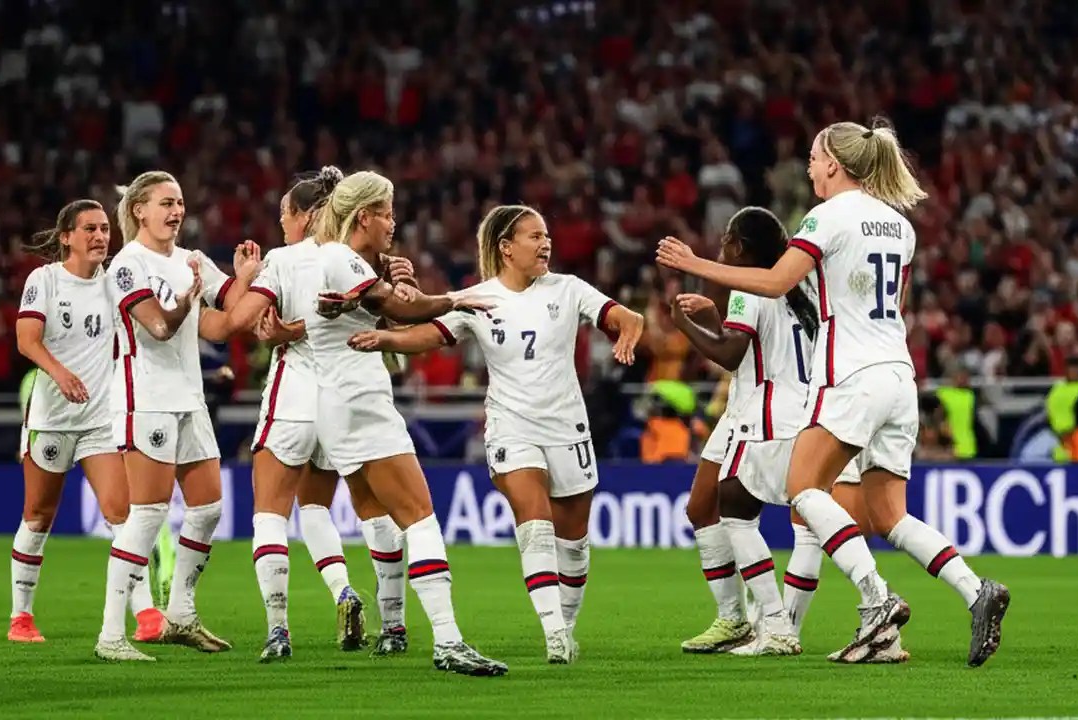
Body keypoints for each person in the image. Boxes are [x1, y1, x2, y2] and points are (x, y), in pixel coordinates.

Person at [657, 119, 1009, 667]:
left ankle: (877, 602)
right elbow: (894, 304)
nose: (809, 166)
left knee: (804, 488)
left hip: (851, 375)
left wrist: (696, 265)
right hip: (899, 373)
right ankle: (975, 590)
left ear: (835, 164)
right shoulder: (900, 225)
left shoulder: (827, 216)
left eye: (814, 157)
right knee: (890, 515)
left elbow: (774, 281)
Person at [348, 204, 644, 664]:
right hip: (511, 427)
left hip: (567, 427)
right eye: (534, 236)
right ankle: (553, 634)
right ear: (507, 248)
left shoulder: (567, 289)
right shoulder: (478, 298)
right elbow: (430, 333)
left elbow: (627, 316)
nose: (546, 243)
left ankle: (565, 624)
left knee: (574, 546)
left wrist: (628, 330)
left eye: (546, 235)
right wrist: (386, 339)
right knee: (535, 523)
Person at [280, 170, 509, 676]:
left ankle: (395, 627)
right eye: (386, 211)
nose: (393, 221)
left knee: (378, 519)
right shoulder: (340, 258)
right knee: (421, 518)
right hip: (361, 403)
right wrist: (455, 299)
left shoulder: (342, 261)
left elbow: (384, 308)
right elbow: (401, 313)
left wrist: (396, 284)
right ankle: (449, 642)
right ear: (363, 215)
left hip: (338, 405)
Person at [200, 167, 419, 661]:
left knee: (270, 514)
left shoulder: (285, 259)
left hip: (294, 398)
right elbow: (373, 314)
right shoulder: (364, 259)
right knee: (362, 509)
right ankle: (393, 625)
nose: (280, 223)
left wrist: (199, 300)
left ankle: (279, 630)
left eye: (284, 214)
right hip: (350, 398)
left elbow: (232, 324)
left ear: (305, 215)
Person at [670, 206, 896, 659]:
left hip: (764, 417)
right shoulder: (807, 288)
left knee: (736, 507)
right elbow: (758, 342)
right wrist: (715, 316)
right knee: (786, 514)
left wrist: (684, 327)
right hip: (813, 414)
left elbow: (733, 353)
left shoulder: (747, 286)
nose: (721, 249)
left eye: (727, 242)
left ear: (741, 247)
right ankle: (772, 621)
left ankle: (776, 624)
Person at [96, 171, 259, 661]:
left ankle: (182, 612)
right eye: (166, 202)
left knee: (208, 507)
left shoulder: (192, 261)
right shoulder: (126, 266)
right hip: (145, 400)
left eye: (181, 202)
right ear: (140, 210)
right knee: (147, 515)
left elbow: (226, 317)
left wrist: (247, 281)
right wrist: (192, 296)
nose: (176, 211)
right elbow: (162, 327)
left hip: (190, 400)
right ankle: (110, 635)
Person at [8, 199, 162, 646]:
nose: (100, 236)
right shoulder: (45, 280)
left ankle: (147, 613)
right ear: (66, 237)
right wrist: (59, 373)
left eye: (104, 229)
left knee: (123, 516)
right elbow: (25, 340)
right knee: (38, 517)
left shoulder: (115, 283)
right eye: (89, 229)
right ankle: (21, 617)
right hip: (52, 418)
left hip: (99, 421)